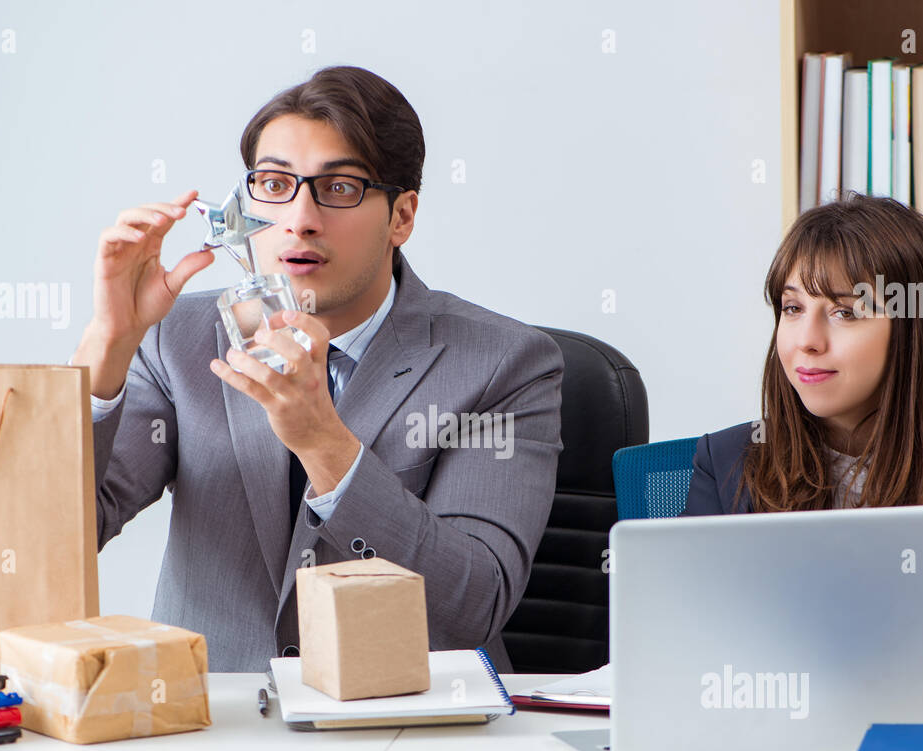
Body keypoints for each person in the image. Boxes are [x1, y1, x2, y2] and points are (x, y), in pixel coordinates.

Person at [69, 66, 563, 671]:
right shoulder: (178, 338)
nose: (299, 219)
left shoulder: (505, 364)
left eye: (339, 188)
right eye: (274, 185)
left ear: (402, 217)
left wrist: (325, 444)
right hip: (213, 732)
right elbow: (57, 541)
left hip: (409, 731)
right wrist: (109, 345)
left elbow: (471, 605)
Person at [681, 193, 923, 676]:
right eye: (792, 308)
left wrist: (850, 681)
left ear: (913, 328)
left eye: (845, 312)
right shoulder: (726, 458)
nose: (807, 340)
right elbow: (684, 641)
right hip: (765, 735)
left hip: (909, 737)